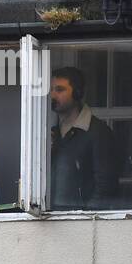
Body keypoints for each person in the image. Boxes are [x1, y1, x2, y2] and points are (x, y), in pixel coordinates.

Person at [49, 66, 118, 210]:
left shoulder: (97, 132)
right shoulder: (52, 133)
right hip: (51, 219)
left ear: (77, 93)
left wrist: (86, 217)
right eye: (51, 90)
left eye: (60, 90)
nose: (53, 95)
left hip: (81, 221)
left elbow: (106, 185)